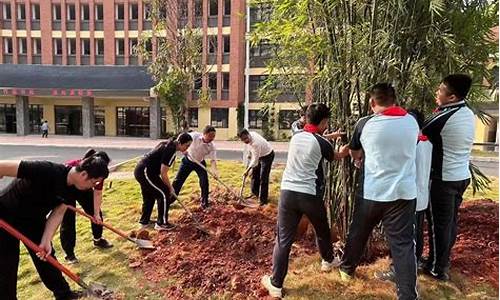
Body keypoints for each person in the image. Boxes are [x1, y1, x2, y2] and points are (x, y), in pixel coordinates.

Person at [339, 83, 419, 300]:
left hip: (373, 191)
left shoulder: (365, 124)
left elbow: (355, 152)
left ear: (372, 102)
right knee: (403, 245)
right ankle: (408, 295)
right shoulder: (411, 122)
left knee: (359, 232)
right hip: (403, 193)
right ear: (395, 100)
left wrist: (361, 157)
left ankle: (347, 270)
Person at [261, 103, 350, 298]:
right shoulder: (322, 143)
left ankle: (276, 285)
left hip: (287, 194)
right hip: (309, 195)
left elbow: (313, 137)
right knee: (322, 230)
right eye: (326, 122)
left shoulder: (295, 134)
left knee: (283, 240)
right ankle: (328, 260)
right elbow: (336, 155)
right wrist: (344, 149)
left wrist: (329, 137)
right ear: (324, 122)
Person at [0, 155, 109, 300]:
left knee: (46, 257)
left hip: (33, 220)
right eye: (94, 182)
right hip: (5, 215)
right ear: (84, 175)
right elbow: (2, 166)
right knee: (6, 264)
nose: (93, 186)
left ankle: (64, 294)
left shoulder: (74, 188)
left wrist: (46, 239)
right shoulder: (46, 170)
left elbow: (58, 213)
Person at [421, 74, 475, 281]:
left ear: (452, 97)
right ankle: (440, 261)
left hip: (443, 180)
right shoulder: (467, 112)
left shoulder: (443, 117)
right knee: (449, 223)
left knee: (438, 225)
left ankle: (437, 269)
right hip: (460, 176)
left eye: (441, 90)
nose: (437, 92)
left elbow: (418, 131)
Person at [374, 109, 433, 282]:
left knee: (402, 237)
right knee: (416, 234)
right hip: (421, 196)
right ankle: (414, 263)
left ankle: (397, 271)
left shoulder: (412, 144)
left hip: (407, 196)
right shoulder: (427, 142)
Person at [59, 149, 113, 264]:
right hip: (68, 187)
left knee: (95, 212)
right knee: (68, 220)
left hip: (85, 188)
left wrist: (96, 213)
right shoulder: (73, 167)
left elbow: (97, 193)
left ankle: (98, 239)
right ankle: (69, 254)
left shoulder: (99, 174)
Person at [135, 133, 193, 231]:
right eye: (187, 145)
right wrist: (170, 187)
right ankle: (162, 223)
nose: (187, 148)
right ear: (179, 143)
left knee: (150, 196)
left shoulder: (169, 144)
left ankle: (145, 222)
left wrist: (183, 150)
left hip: (145, 171)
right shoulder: (170, 151)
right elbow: (163, 173)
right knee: (164, 193)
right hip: (145, 171)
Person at [172, 125, 218, 209]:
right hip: (187, 161)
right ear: (204, 134)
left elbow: (213, 161)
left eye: (213, 136)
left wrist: (215, 171)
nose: (212, 138)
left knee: (204, 182)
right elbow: (181, 138)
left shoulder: (212, 146)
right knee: (178, 180)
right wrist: (183, 150)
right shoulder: (194, 136)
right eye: (210, 136)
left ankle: (205, 203)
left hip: (200, 163)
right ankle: (170, 199)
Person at [238, 129, 275, 205]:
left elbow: (255, 160)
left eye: (245, 138)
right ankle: (255, 194)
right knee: (255, 175)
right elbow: (250, 149)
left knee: (263, 177)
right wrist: (249, 154)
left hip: (267, 155)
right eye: (243, 140)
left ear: (248, 135)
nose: (245, 141)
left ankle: (263, 200)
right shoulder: (251, 134)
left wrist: (247, 170)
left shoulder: (256, 143)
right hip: (259, 154)